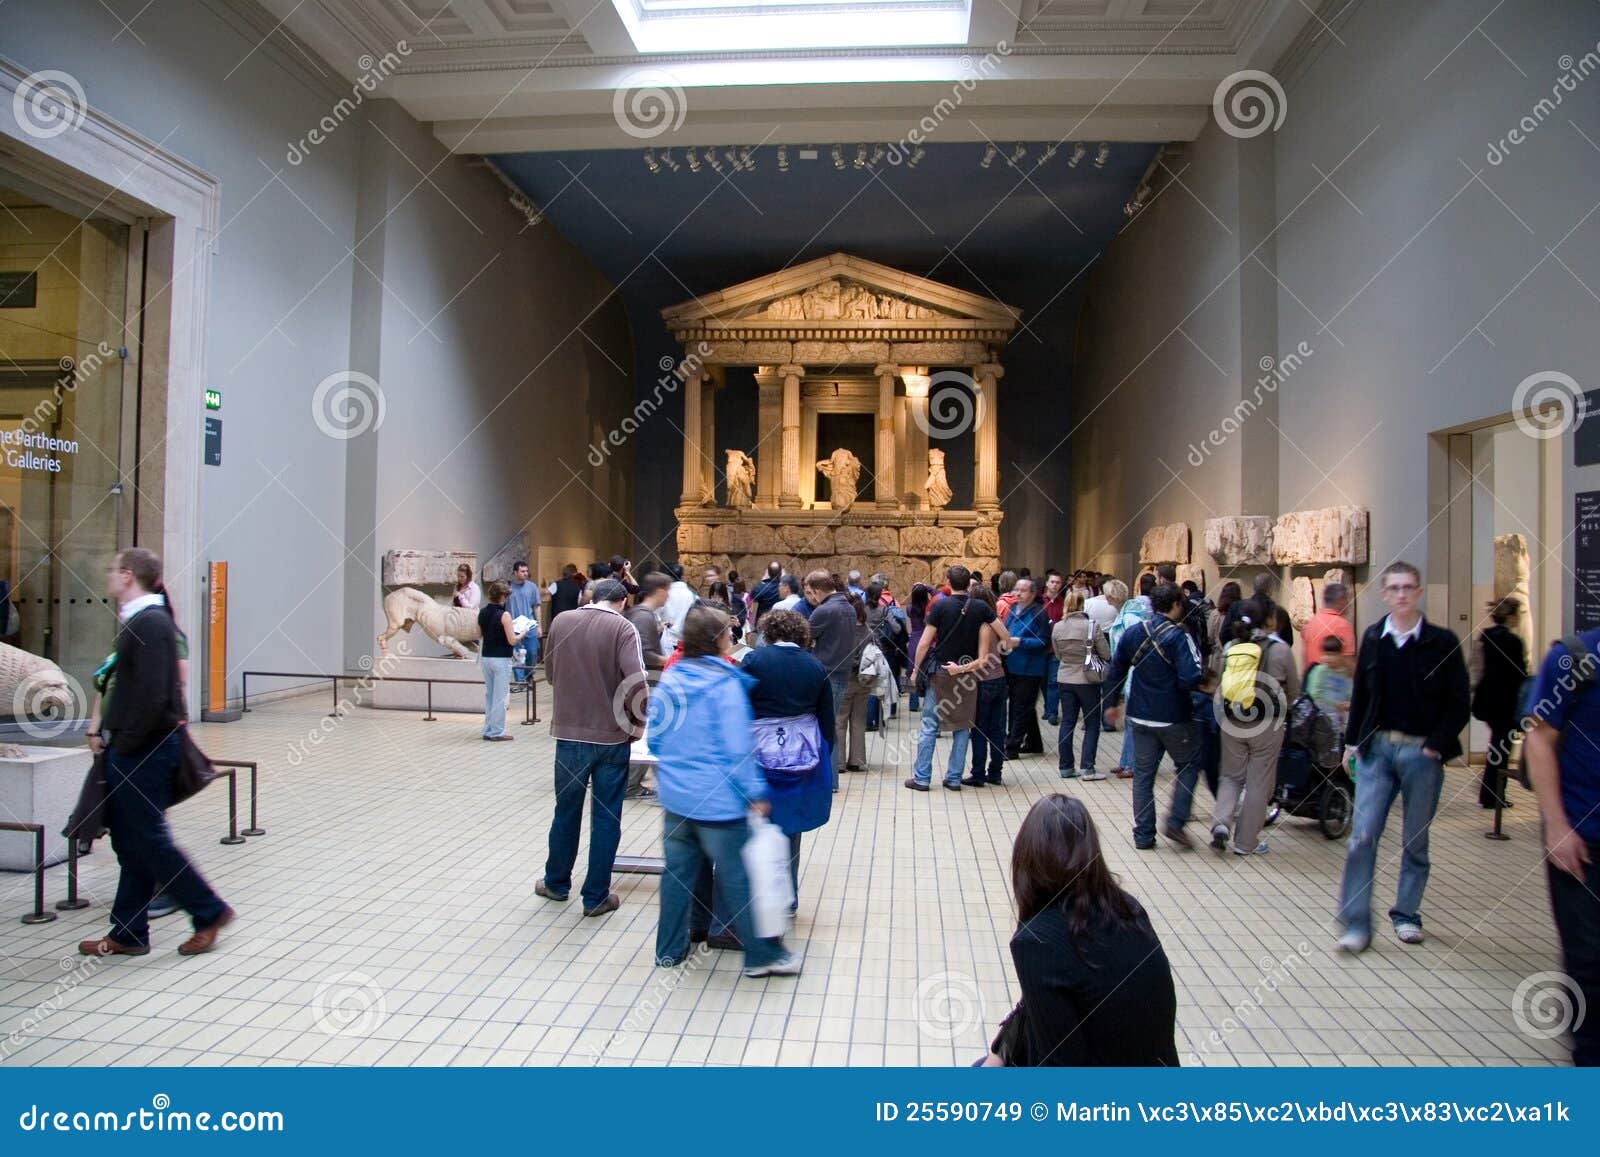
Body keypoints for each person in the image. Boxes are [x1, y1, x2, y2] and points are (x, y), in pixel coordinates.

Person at [78, 548, 234, 959]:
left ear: (128, 575)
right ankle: (129, 932)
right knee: (132, 842)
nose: (110, 576)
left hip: (144, 750)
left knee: (149, 838)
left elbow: (152, 696)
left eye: (114, 570)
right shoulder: (144, 620)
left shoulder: (150, 623)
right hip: (138, 747)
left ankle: (209, 911)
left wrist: (125, 744)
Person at [651, 605, 804, 978]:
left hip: (677, 799)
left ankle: (669, 951)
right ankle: (762, 955)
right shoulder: (725, 685)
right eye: (726, 632)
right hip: (718, 803)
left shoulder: (672, 678)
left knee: (676, 876)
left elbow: (654, 738)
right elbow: (737, 749)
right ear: (718, 639)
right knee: (739, 879)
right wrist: (755, 792)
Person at [980, 796, 1178, 1067]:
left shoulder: (1036, 940)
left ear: (1026, 858)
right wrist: (1000, 1051)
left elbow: (1061, 1065)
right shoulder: (1128, 908)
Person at [1336, 560, 1469, 952]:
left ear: (1418, 592)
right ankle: (1357, 922)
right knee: (1362, 835)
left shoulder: (1442, 643)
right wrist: (1351, 743)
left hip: (1420, 752)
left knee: (1415, 839)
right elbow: (1362, 695)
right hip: (1377, 749)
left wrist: (1436, 745)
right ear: (1384, 594)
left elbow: (1459, 702)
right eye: (1394, 588)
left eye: (1408, 587)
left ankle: (1407, 913)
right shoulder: (1374, 637)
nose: (1401, 595)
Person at [537, 578, 646, 918]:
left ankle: (556, 883)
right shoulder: (623, 629)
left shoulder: (562, 621)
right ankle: (596, 896)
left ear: (591, 597)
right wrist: (637, 724)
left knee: (565, 811)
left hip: (569, 735)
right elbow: (637, 682)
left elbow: (550, 673)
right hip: (611, 738)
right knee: (606, 816)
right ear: (623, 602)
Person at [1522, 629, 1600, 1066]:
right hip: (1582, 838)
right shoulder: (1575, 657)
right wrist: (1556, 826)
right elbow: (1539, 737)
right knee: (1588, 958)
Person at [741, 609, 835, 915]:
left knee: (756, 824)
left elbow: (740, 707)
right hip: (801, 755)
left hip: (758, 754)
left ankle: (756, 893)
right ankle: (788, 896)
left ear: (768, 632)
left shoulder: (754, 661)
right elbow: (827, 720)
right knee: (791, 827)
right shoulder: (815, 666)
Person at [1103, 582, 1204, 850]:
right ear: (1176, 604)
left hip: (1140, 713)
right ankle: (1176, 820)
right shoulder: (1179, 636)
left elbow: (1116, 669)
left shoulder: (1135, 632)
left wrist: (1111, 704)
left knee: (1143, 776)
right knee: (1188, 765)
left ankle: (1144, 834)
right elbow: (1191, 676)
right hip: (1173, 715)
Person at [1210, 598, 1299, 855]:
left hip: (1233, 720)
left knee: (1231, 776)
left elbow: (1220, 682)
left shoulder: (1231, 647)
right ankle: (1245, 843)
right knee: (1259, 782)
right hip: (1267, 724)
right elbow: (1294, 691)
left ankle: (1221, 823)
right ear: (1269, 620)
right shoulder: (1281, 650)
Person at [907, 565, 995, 791]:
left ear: (948, 582)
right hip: (967, 674)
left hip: (940, 672)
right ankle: (954, 777)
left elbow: (925, 643)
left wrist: (915, 670)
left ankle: (922, 778)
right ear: (969, 584)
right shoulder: (980, 608)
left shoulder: (940, 606)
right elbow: (999, 635)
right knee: (963, 725)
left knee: (929, 724)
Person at [805, 571, 870, 776]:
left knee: (825, 727)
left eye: (811, 593)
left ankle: (828, 778)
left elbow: (804, 637)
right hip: (843, 673)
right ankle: (831, 778)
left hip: (825, 674)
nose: (811, 597)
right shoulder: (849, 608)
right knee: (831, 725)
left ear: (817, 590)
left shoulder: (824, 610)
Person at [1469, 596, 1528, 810]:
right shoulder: (1514, 641)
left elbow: (1476, 667)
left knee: (1496, 747)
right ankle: (1493, 795)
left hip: (1487, 702)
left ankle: (1490, 793)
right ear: (1510, 616)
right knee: (1501, 751)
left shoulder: (1485, 636)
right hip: (1507, 704)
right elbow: (1520, 673)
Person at [623, 572, 672, 801]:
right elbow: (643, 652)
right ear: (660, 591)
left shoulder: (642, 614)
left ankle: (634, 783)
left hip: (645, 683)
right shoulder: (644, 617)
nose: (668, 596)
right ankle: (631, 784)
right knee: (648, 734)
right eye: (667, 591)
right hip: (647, 683)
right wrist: (668, 660)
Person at [1053, 589, 1111, 780]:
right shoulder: (1092, 626)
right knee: (1092, 723)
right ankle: (1088, 768)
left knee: (1067, 722)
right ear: (1082, 605)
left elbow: (1058, 654)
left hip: (1065, 677)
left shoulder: (1058, 627)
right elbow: (1106, 654)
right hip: (1088, 680)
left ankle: (1065, 767)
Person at [963, 583, 1012, 787]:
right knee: (997, 729)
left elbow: (982, 660)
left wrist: (960, 668)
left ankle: (978, 773)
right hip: (999, 678)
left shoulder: (983, 626)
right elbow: (1008, 644)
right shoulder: (997, 622)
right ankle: (995, 772)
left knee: (980, 730)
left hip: (984, 681)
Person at [1003, 577, 1050, 758]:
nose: (1018, 593)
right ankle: (1034, 742)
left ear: (1032, 594)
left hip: (1030, 668)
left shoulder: (1038, 613)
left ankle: (1011, 747)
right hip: (1013, 664)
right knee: (1025, 706)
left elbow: (1044, 642)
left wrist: (1020, 642)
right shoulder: (1013, 609)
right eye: (1016, 589)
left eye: (1023, 590)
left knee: (1020, 707)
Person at [477, 581, 528, 742]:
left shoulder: (482, 612)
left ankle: (488, 729)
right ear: (503, 596)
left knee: (490, 695)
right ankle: (497, 732)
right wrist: (523, 632)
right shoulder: (504, 615)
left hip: (486, 657)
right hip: (501, 659)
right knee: (499, 697)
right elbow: (512, 640)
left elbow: (479, 634)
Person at [1300, 581, 1355, 675]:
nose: (1348, 603)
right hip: (1333, 681)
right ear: (1341, 600)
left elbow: (1304, 657)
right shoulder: (1342, 625)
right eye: (1347, 599)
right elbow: (1348, 662)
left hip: (1311, 679)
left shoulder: (1311, 624)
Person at [1306, 634, 1354, 736]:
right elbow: (1314, 694)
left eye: (1333, 655)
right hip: (1320, 718)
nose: (1328, 658)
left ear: (1340, 654)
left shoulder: (1344, 672)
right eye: (1326, 654)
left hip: (1339, 720)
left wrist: (1348, 703)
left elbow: (1349, 691)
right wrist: (1335, 704)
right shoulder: (1320, 671)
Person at [506, 561, 542, 676]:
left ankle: (529, 675)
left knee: (532, 652)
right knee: (516, 655)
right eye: (522, 571)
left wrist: (539, 626)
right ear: (515, 572)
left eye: (526, 571)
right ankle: (520, 681)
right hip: (513, 626)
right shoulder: (508, 588)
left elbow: (536, 607)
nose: (525, 573)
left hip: (529, 625)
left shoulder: (532, 587)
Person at [1040, 571, 1066, 726]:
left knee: (1053, 681)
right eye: (1052, 582)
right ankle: (1047, 707)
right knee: (1043, 681)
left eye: (1058, 582)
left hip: (1056, 648)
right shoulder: (1040, 602)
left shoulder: (1063, 603)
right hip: (1041, 647)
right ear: (1047, 583)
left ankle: (1053, 712)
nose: (1055, 585)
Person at [905, 583, 931, 712]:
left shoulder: (909, 608)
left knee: (912, 670)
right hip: (928, 637)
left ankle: (913, 703)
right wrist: (927, 587)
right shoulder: (930, 607)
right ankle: (928, 700)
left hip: (915, 639)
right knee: (927, 670)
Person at [660, 564, 696, 650]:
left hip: (666, 640)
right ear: (682, 576)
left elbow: (657, 616)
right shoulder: (692, 596)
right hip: (686, 641)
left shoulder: (663, 594)